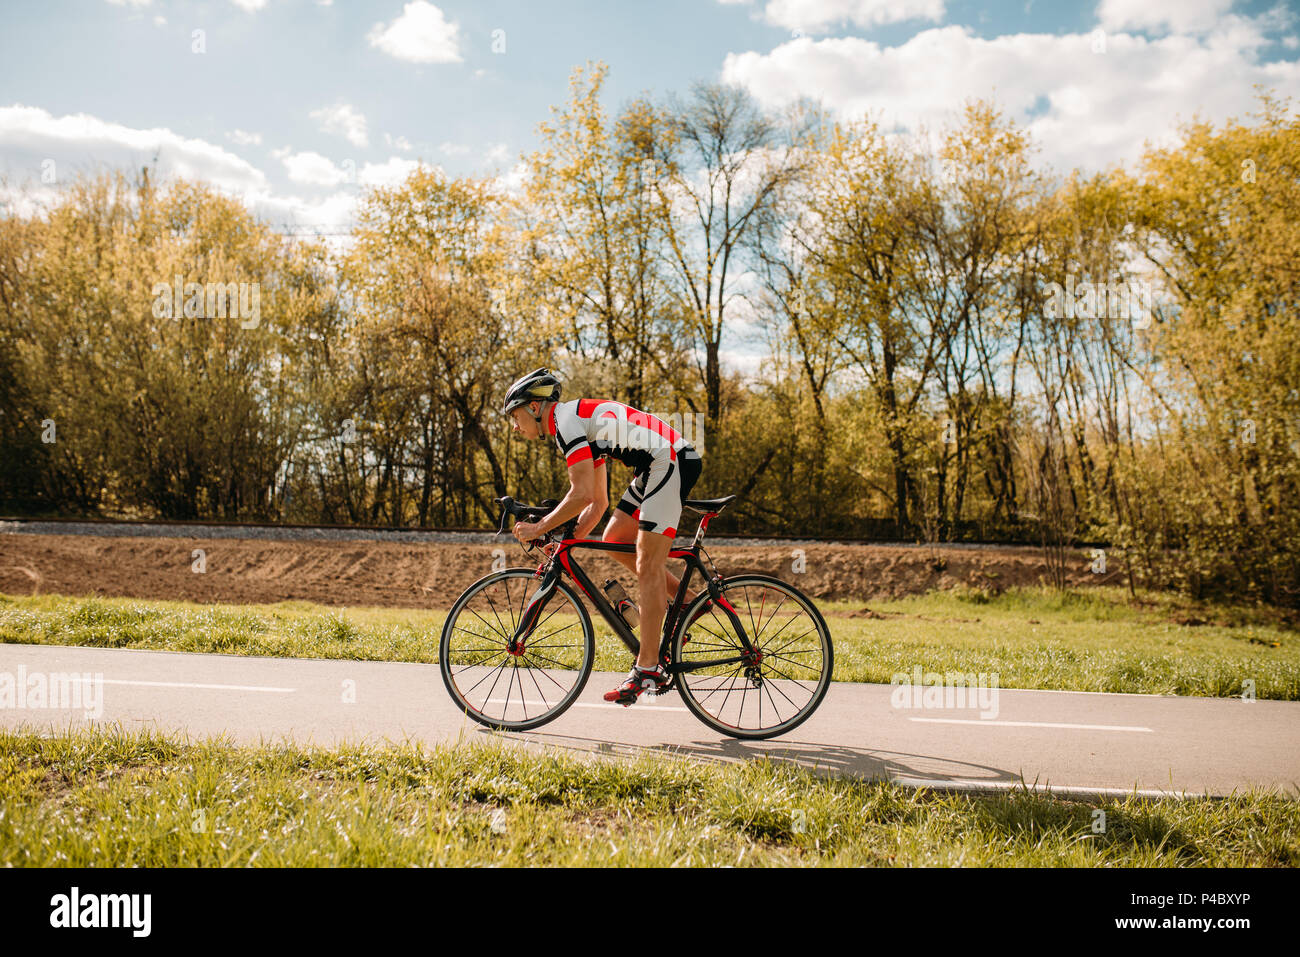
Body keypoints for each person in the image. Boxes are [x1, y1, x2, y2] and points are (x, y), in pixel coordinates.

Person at [501, 367, 705, 704]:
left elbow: (579, 494)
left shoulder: (565, 423)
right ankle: (687, 601)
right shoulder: (574, 421)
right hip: (658, 462)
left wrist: (538, 528)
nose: (513, 425)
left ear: (534, 407)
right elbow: (597, 503)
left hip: (669, 461)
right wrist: (561, 545)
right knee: (616, 537)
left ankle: (648, 668)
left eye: (514, 414)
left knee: (648, 561)